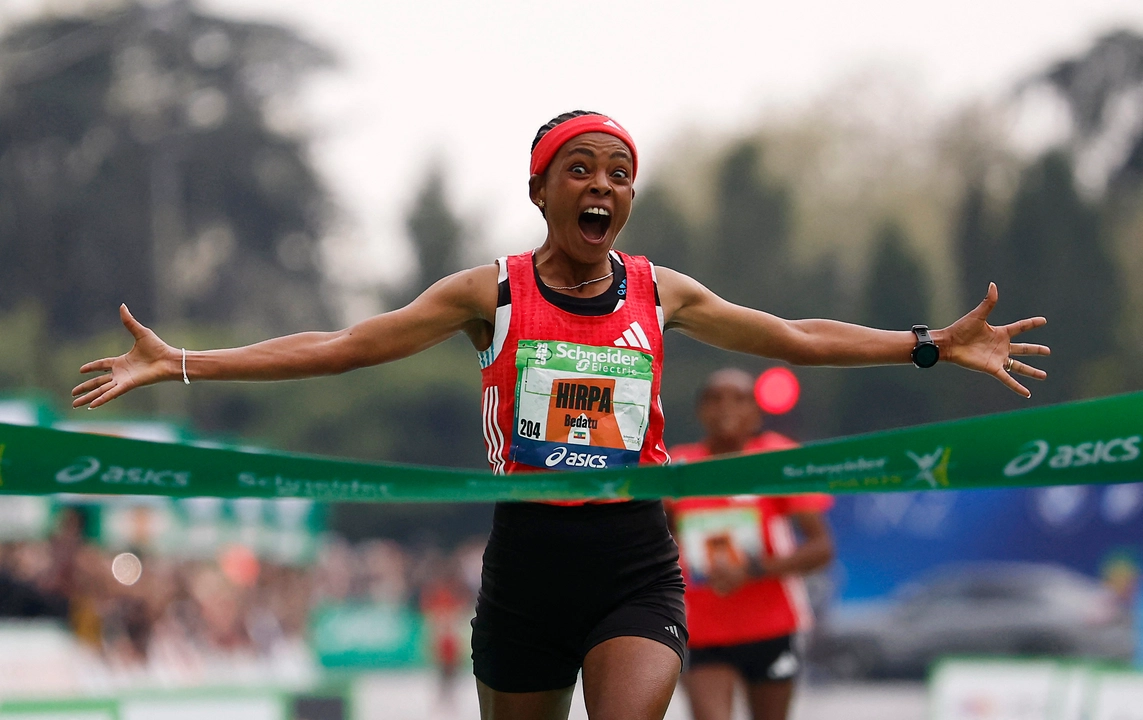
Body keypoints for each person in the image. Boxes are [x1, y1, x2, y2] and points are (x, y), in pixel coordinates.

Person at [72, 110, 1050, 720]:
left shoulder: (658, 291)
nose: (603, 186)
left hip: (633, 561)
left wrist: (925, 344)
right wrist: (184, 363)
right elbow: (340, 347)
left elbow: (790, 335)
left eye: (619, 173)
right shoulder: (485, 295)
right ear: (540, 188)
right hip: (525, 569)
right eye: (580, 169)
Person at [667, 368, 833, 720]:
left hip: (771, 626)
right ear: (700, 411)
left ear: (757, 413)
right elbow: (658, 545)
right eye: (715, 399)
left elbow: (821, 549)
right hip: (701, 629)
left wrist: (754, 569)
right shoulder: (677, 466)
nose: (726, 408)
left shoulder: (778, 459)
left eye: (739, 399)